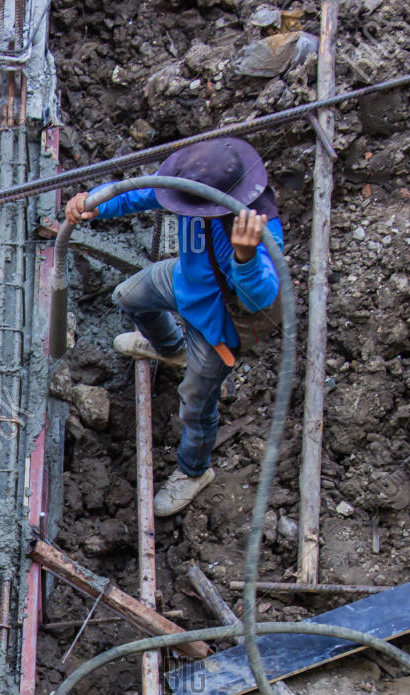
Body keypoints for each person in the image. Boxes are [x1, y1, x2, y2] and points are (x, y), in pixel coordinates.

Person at [62, 137, 284, 516]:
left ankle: (195, 471)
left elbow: (259, 300)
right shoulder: (191, 190)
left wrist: (244, 258)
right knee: (129, 296)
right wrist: (93, 203)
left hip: (218, 321)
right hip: (185, 280)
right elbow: (142, 193)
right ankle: (170, 348)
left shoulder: (256, 225)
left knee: (196, 403)